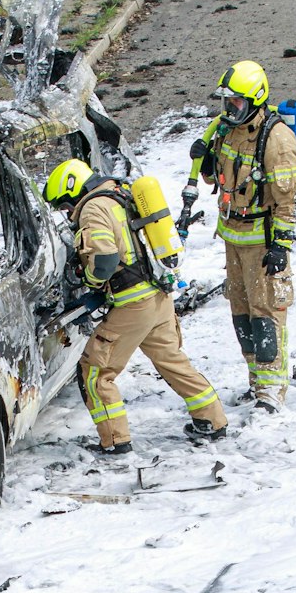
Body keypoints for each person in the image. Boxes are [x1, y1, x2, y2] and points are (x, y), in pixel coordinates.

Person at [43, 159, 228, 453]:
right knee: (172, 360)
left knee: (95, 371)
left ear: (72, 189)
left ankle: (115, 442)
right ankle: (212, 420)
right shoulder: (123, 193)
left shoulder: (93, 208)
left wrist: (88, 278)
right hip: (159, 296)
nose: (68, 212)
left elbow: (104, 262)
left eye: (65, 205)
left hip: (133, 302)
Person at [194, 60, 296, 411]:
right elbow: (219, 181)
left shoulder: (276, 139)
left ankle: (271, 392)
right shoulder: (228, 131)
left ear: (255, 100)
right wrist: (207, 164)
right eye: (226, 102)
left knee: (266, 313)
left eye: (236, 103)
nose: (229, 109)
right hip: (233, 238)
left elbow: (289, 199)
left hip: (261, 243)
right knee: (241, 313)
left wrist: (280, 246)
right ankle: (255, 381)